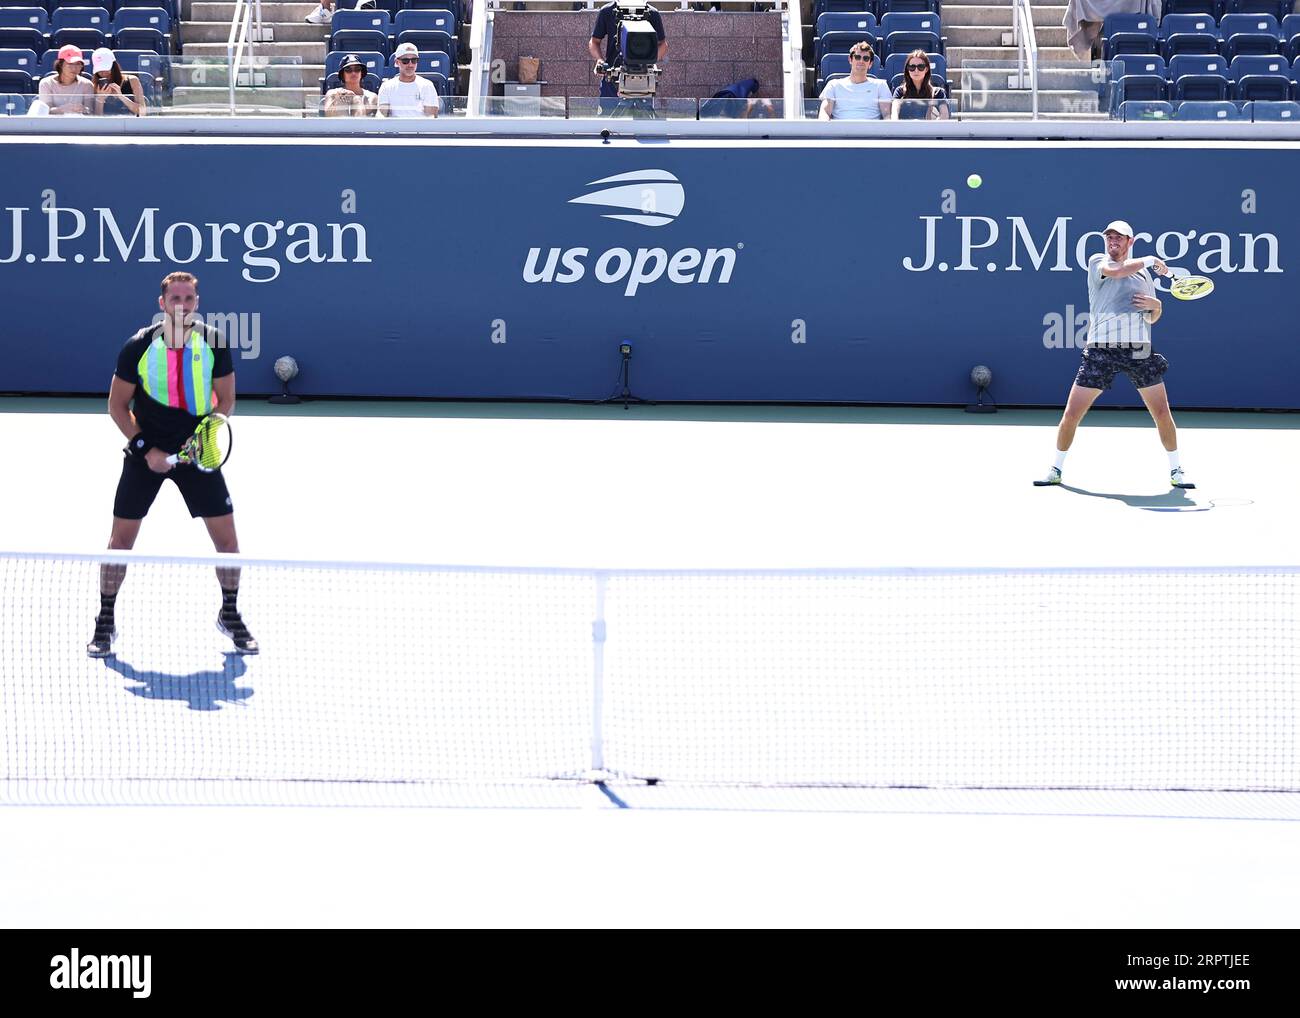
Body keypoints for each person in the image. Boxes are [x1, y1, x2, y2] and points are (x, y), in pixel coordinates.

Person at [89, 272, 259, 658]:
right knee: (120, 543)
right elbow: (117, 406)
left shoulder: (214, 341)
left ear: (197, 303)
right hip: (145, 451)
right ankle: (105, 620)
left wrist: (202, 441)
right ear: (161, 303)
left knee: (228, 542)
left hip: (197, 454)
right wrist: (145, 448)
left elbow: (226, 401)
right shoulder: (138, 346)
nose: (181, 305)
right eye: (174, 299)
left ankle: (230, 613)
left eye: (189, 299)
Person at [1035, 220, 1194, 489]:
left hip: (1139, 349)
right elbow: (1116, 271)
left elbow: (1152, 318)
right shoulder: (1098, 262)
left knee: (1161, 413)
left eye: (1119, 238)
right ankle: (1055, 469)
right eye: (1109, 237)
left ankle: (1176, 470)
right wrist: (1151, 259)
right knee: (1072, 413)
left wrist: (1157, 305)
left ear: (1130, 242)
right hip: (1101, 349)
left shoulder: (1144, 277)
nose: (1113, 242)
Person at [588, 1, 667, 103]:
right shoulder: (607, 11)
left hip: (643, 78)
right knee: (608, 117)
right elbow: (594, 41)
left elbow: (663, 44)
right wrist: (599, 60)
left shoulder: (652, 13)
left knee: (642, 117)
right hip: (613, 76)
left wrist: (650, 61)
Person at [818, 41, 892, 121]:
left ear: (870, 64)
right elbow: (824, 112)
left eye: (866, 58)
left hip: (871, 132)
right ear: (850, 60)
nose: (861, 61)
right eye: (857, 57)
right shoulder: (833, 85)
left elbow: (887, 115)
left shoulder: (881, 85)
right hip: (840, 131)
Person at [377, 42, 441, 118]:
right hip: (395, 129)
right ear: (397, 62)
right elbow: (381, 114)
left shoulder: (427, 85)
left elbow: (431, 116)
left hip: (420, 129)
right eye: (405, 61)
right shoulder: (386, 86)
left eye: (414, 60)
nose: (410, 65)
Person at [891, 50, 949, 121]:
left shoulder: (938, 93)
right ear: (908, 70)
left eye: (920, 67)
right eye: (912, 67)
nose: (916, 70)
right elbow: (894, 114)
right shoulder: (900, 92)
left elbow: (945, 115)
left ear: (926, 69)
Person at [37, 45, 93, 116]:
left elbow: (90, 112)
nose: (74, 68)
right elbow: (45, 111)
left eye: (78, 64)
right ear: (60, 64)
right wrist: (63, 109)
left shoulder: (87, 84)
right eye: (70, 64)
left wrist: (84, 109)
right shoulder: (46, 83)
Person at [90, 48, 147, 117]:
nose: (103, 73)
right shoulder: (94, 85)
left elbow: (142, 111)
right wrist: (100, 100)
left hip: (130, 124)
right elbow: (96, 119)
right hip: (106, 125)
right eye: (100, 70)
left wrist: (121, 96)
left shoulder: (132, 81)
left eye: (107, 68)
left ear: (114, 66)